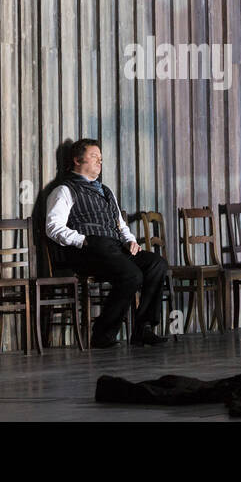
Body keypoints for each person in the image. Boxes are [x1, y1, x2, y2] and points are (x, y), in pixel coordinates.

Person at [44, 138, 169, 348]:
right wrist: (83, 240)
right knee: (132, 274)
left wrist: (130, 241)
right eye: (94, 156)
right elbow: (53, 227)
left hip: (114, 249)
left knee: (157, 263)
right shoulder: (64, 190)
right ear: (77, 160)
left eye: (101, 158)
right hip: (86, 252)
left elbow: (121, 224)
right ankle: (103, 334)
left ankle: (143, 329)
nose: (99, 162)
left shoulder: (106, 191)